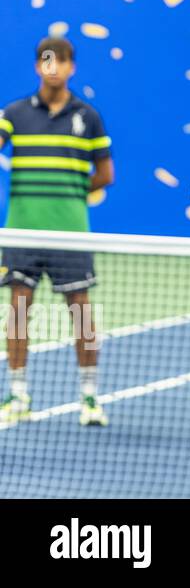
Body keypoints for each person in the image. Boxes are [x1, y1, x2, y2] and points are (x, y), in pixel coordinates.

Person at [0, 37, 113, 429]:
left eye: (60, 61)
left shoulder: (89, 117)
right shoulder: (12, 114)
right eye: (45, 61)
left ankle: (90, 397)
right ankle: (17, 393)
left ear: (71, 67)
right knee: (17, 312)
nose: (52, 68)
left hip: (71, 234)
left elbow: (105, 173)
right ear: (37, 66)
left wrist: (68, 193)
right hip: (21, 234)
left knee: (80, 313)